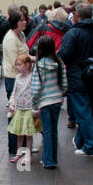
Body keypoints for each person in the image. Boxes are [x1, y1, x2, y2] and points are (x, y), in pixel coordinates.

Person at [59, 2, 93, 157]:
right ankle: (81, 142)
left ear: (76, 14)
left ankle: (90, 147)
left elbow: (64, 54)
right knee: (88, 111)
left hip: (78, 78)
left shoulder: (73, 33)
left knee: (83, 113)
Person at [32, 35, 67, 169]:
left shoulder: (39, 66)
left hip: (45, 102)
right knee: (53, 130)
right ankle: (52, 158)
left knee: (47, 131)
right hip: (57, 100)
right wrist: (61, 93)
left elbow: (36, 88)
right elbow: (64, 83)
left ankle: (48, 160)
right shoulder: (59, 63)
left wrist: (34, 104)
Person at [1, 11, 28, 160]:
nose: (24, 22)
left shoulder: (21, 35)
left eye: (25, 19)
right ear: (15, 22)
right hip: (13, 78)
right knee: (14, 112)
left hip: (23, 77)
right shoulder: (10, 38)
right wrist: (32, 60)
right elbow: (15, 61)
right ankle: (13, 147)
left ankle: (22, 145)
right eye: (21, 20)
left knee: (23, 112)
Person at [6, 52, 36, 165]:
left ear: (27, 65)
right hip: (19, 109)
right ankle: (19, 153)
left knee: (28, 134)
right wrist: (12, 103)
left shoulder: (32, 77)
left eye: (19, 65)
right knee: (19, 133)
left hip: (28, 108)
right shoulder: (18, 78)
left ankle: (27, 155)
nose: (17, 67)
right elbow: (14, 92)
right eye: (17, 65)